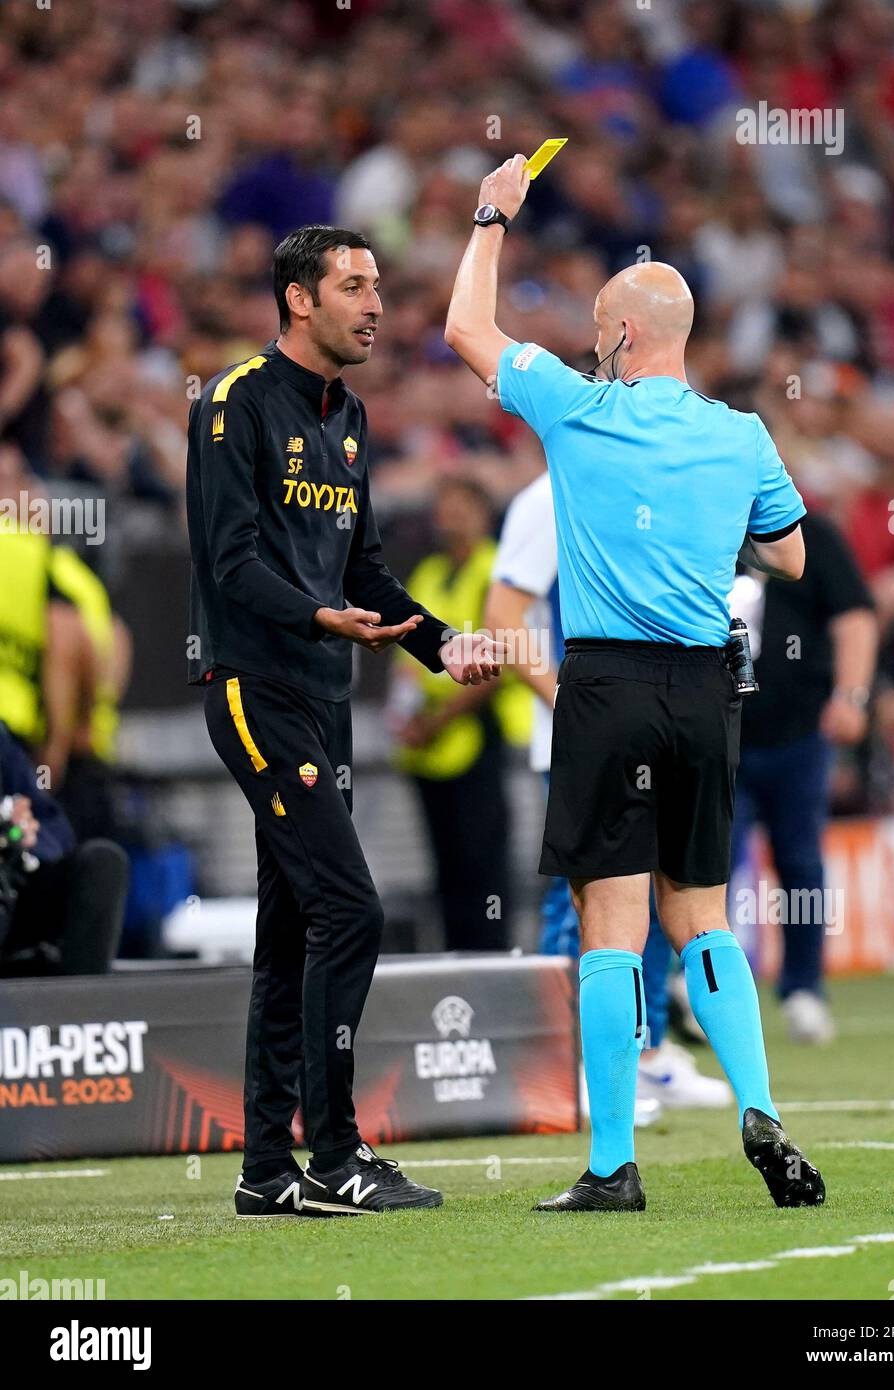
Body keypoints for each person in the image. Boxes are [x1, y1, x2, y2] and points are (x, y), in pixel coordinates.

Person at [445, 155, 824, 1213]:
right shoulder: (740, 432)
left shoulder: (578, 408)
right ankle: (760, 1104)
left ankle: (613, 1163)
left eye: (598, 329)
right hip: (708, 687)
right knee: (700, 912)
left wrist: (490, 217)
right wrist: (715, 550)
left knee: (610, 924)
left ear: (620, 336)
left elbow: (467, 332)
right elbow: (791, 555)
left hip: (606, 682)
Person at [186, 224, 502, 1218]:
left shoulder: (350, 415)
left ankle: (264, 1171)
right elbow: (229, 562)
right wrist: (313, 614)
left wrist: (440, 643)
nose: (376, 305)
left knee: (290, 930)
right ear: (298, 300)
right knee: (351, 910)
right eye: (355, 287)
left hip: (326, 698)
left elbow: (362, 568)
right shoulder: (233, 403)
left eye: (377, 287)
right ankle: (333, 1151)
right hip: (254, 688)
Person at [486, 469, 731, 1112]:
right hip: (579, 741)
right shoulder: (548, 496)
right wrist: (572, 706)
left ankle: (642, 1053)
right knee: (586, 907)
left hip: (645, 731)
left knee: (656, 898)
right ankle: (566, 1067)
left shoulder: (627, 488)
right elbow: (504, 617)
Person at [730, 513, 877, 1043]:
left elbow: (854, 616)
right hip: (719, 737)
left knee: (799, 862)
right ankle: (699, 991)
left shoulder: (811, 532)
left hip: (798, 733)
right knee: (708, 865)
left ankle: (803, 988)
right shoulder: (699, 521)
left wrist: (851, 695)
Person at [390, 477, 530, 951]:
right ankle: (456, 958)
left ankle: (490, 956)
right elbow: (405, 651)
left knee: (483, 860)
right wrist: (406, 717)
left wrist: (438, 719)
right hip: (429, 749)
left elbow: (500, 662)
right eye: (443, 506)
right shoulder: (429, 571)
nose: (449, 516)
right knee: (445, 864)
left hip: (475, 736)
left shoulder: (496, 569)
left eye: (461, 506)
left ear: (483, 514)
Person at [0, 719, 126, 976]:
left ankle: (84, 1008)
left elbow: (54, 826)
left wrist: (27, 831)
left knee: (101, 861)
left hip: (10, 892)